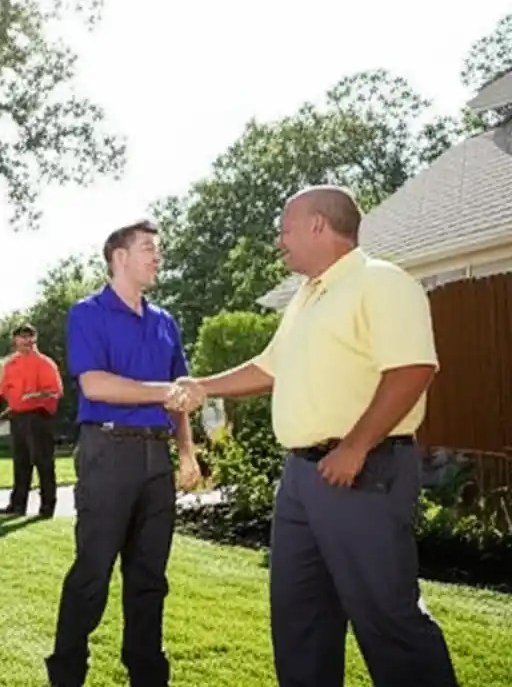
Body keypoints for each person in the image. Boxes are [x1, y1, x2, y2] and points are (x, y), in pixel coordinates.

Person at [176, 186, 459, 687]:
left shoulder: (381, 282)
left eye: (285, 229)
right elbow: (269, 367)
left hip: (361, 472)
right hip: (302, 480)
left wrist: (354, 446)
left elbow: (414, 369)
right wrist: (203, 386)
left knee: (387, 618)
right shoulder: (307, 297)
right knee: (300, 620)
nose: (279, 241)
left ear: (318, 226)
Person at [44, 218, 201, 687]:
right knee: (93, 573)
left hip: (156, 460)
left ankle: (149, 677)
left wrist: (187, 453)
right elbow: (95, 384)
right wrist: (165, 392)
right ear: (120, 257)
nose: (158, 257)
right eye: (149, 248)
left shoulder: (164, 322)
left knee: (150, 577)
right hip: (107, 453)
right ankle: (67, 675)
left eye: (159, 249)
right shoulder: (87, 313)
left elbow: (182, 398)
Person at [0, 323, 63, 518]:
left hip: (39, 416)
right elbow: (3, 390)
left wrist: (35, 394)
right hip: (17, 417)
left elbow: (56, 392)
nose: (26, 341)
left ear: (35, 339)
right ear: (15, 341)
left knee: (43, 462)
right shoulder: (10, 364)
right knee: (21, 463)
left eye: (29, 337)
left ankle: (47, 507)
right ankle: (17, 505)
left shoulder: (45, 363)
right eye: (22, 337)